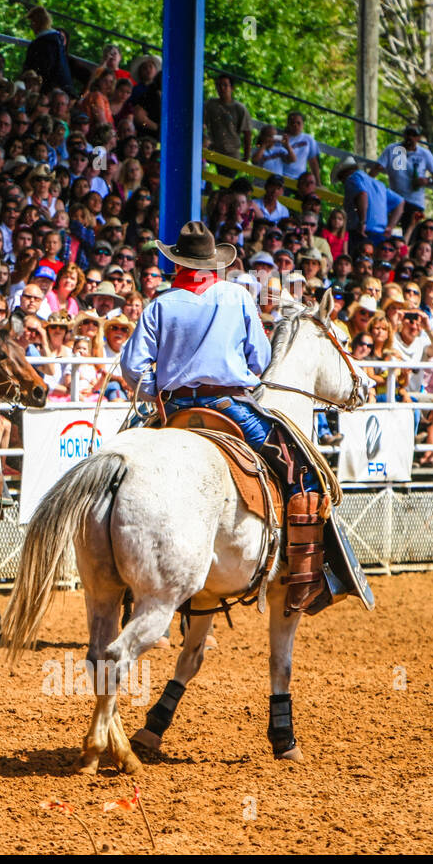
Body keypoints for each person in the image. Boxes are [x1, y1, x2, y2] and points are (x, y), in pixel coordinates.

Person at [120, 221, 327, 614]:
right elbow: (261, 359)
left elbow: (133, 367)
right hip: (230, 407)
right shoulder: (236, 297)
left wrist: (157, 395)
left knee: (119, 460)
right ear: (213, 263)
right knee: (301, 473)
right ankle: (303, 573)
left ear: (176, 261)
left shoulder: (160, 305)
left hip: (175, 410)